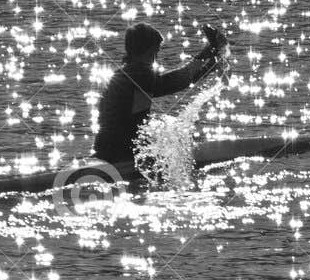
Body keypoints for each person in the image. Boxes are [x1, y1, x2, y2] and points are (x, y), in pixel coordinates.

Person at [93, 21, 226, 180]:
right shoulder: (140, 74)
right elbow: (172, 83)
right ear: (148, 51)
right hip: (121, 154)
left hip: (104, 150)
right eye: (155, 52)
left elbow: (175, 83)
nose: (155, 59)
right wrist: (208, 53)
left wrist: (209, 64)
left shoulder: (123, 74)